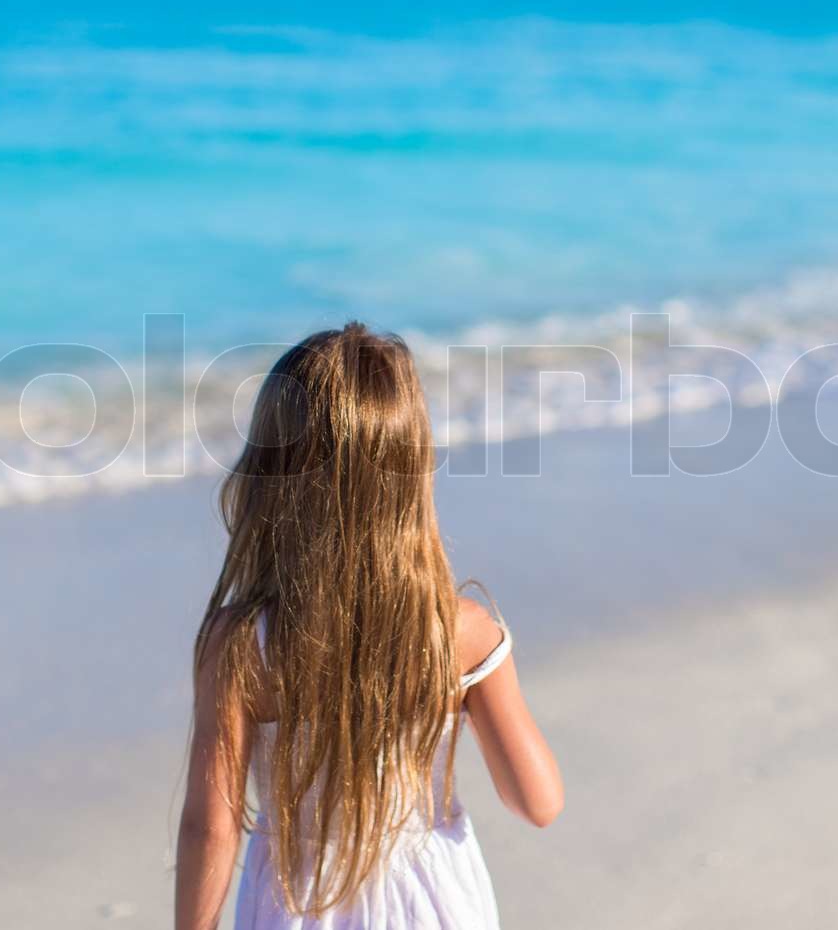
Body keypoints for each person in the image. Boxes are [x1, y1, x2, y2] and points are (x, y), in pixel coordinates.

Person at [175, 322, 564, 930]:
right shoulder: (458, 633)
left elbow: (210, 825)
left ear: (270, 475)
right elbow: (537, 802)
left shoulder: (244, 646)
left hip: (298, 903)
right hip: (434, 902)